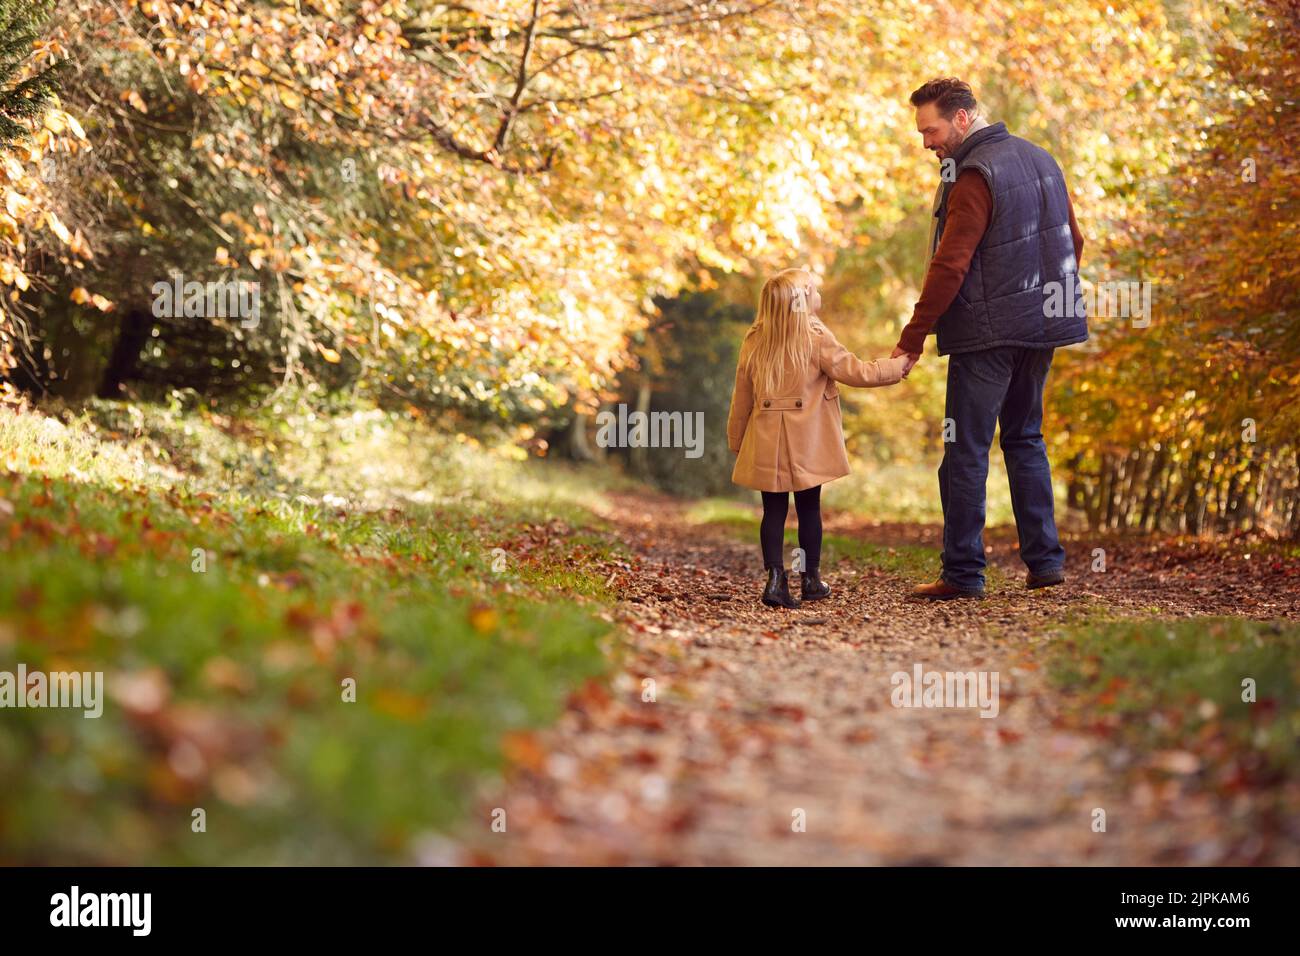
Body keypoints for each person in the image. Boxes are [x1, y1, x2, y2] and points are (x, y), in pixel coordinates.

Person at [891, 77, 1088, 600]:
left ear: (961, 118)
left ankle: (962, 574)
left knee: (965, 449)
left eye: (930, 130)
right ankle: (1045, 565)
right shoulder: (1040, 158)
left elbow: (950, 264)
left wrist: (912, 338)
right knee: (1025, 440)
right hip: (1041, 327)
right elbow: (1076, 241)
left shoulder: (974, 173)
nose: (926, 143)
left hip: (987, 334)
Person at [727, 268, 908, 609]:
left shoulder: (755, 339)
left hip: (767, 440)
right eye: (815, 291)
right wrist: (895, 367)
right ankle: (810, 579)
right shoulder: (815, 336)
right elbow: (856, 371)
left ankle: (776, 579)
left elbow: (742, 396)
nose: (819, 296)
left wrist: (737, 440)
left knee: (773, 511)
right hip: (806, 441)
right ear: (803, 299)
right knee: (809, 508)